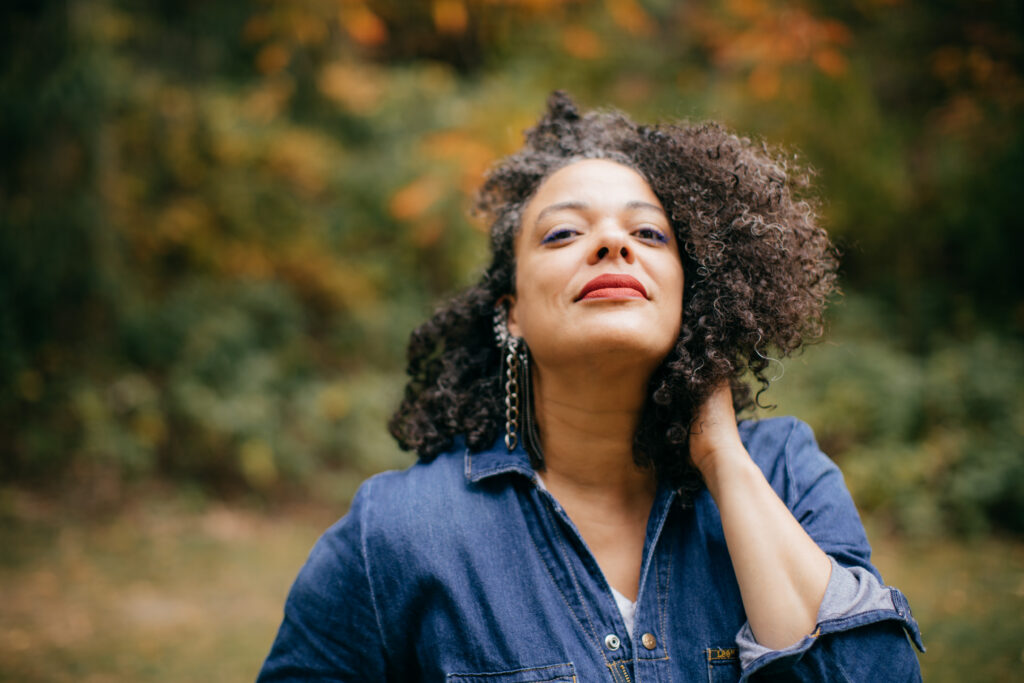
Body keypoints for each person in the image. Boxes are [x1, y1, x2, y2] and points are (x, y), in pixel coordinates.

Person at [257, 92, 924, 682]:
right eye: (565, 232)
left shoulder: (786, 473)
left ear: (697, 292)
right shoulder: (399, 532)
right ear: (511, 311)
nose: (612, 243)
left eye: (649, 232)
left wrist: (723, 458)